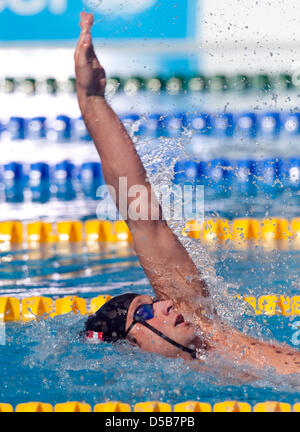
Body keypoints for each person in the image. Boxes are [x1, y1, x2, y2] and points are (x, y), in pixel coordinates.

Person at [75, 11, 300, 377]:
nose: (163, 307)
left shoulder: (208, 333)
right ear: (134, 346)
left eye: (152, 303)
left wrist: (92, 99)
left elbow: (144, 216)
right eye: (145, 314)